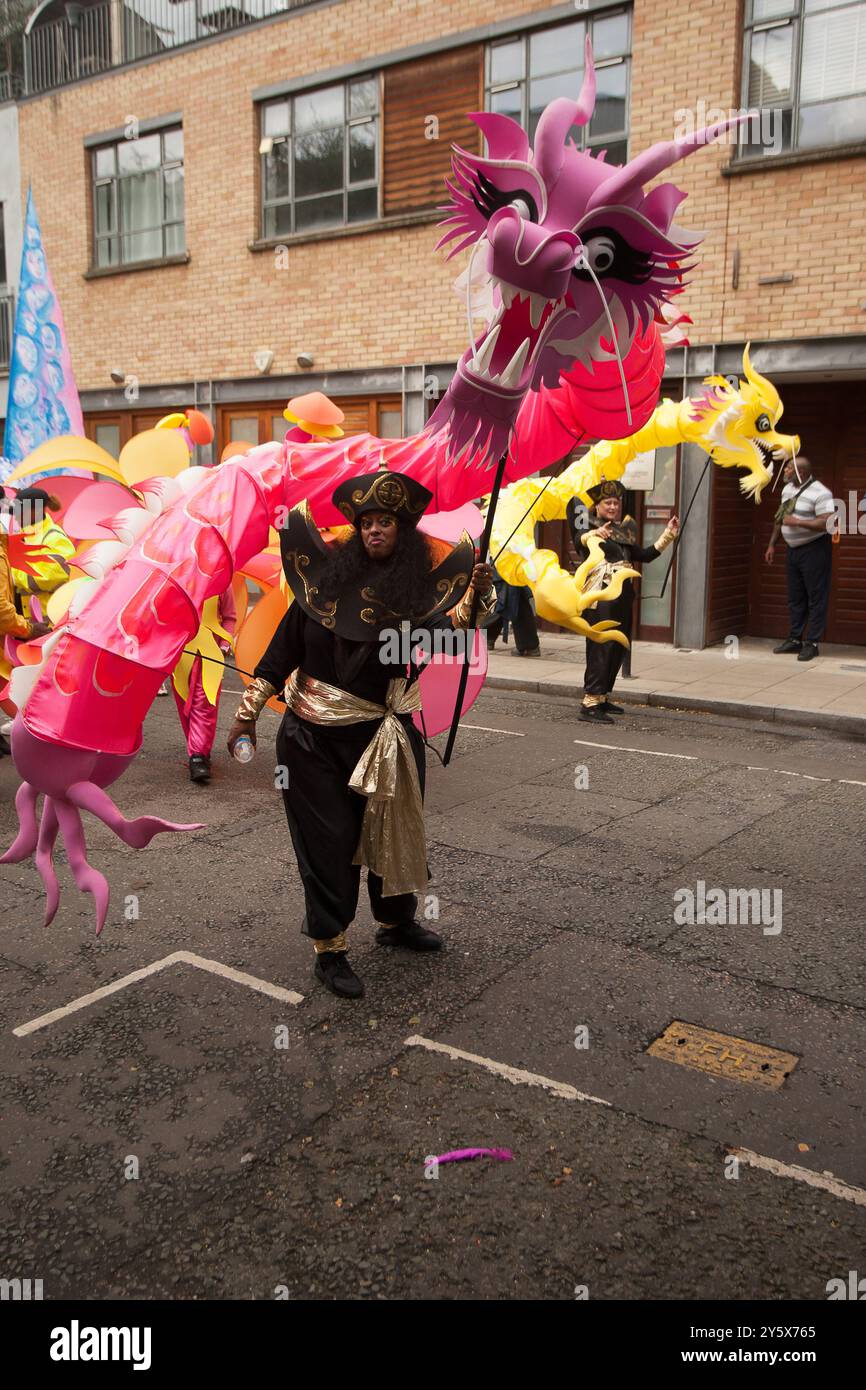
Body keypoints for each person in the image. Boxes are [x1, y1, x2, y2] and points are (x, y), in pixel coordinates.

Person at [226, 469, 495, 999]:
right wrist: (247, 715)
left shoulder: (416, 600)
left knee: (394, 833)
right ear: (355, 531)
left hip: (387, 734)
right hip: (313, 742)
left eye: (386, 523)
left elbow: (455, 631)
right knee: (329, 842)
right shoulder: (319, 591)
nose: (375, 530)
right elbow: (278, 658)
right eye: (367, 522)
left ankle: (396, 923)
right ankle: (330, 948)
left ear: (403, 534)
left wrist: (478, 595)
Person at [567, 480, 678, 724]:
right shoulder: (590, 528)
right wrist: (593, 533)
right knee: (601, 647)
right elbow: (579, 540)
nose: (613, 506)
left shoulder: (622, 532)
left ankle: (602, 696)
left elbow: (645, 555)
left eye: (616, 502)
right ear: (597, 506)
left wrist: (668, 534)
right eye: (608, 502)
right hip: (601, 597)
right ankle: (590, 701)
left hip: (623, 597)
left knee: (618, 647)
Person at [764, 455, 834, 662]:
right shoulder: (787, 490)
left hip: (815, 550)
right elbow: (780, 517)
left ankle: (811, 643)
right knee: (795, 597)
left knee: (816, 597)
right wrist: (772, 544)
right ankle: (795, 639)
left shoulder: (821, 492)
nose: (783, 472)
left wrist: (797, 522)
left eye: (787, 469)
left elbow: (826, 524)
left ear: (800, 472)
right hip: (792, 550)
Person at [171, 585, 238, 783]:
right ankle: (197, 749)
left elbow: (229, 616)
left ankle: (198, 756)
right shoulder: (177, 578)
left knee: (205, 701)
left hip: (210, 651)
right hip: (181, 651)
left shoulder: (223, 581)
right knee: (184, 700)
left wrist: (224, 645)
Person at [0, 505, 52, 757]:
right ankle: (42, 740)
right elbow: (0, 608)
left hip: (23, 622)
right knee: (10, 689)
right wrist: (28, 627)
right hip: (23, 624)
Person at [8, 486, 76, 620]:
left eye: (18, 511)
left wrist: (10, 572)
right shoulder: (24, 537)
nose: (15, 517)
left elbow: (44, 578)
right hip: (29, 621)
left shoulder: (54, 537)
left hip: (50, 622)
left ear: (34, 511)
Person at [486, 566, 540, 657]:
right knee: (507, 598)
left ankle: (529, 645)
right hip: (508, 564)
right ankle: (488, 636)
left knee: (512, 598)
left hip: (511, 563)